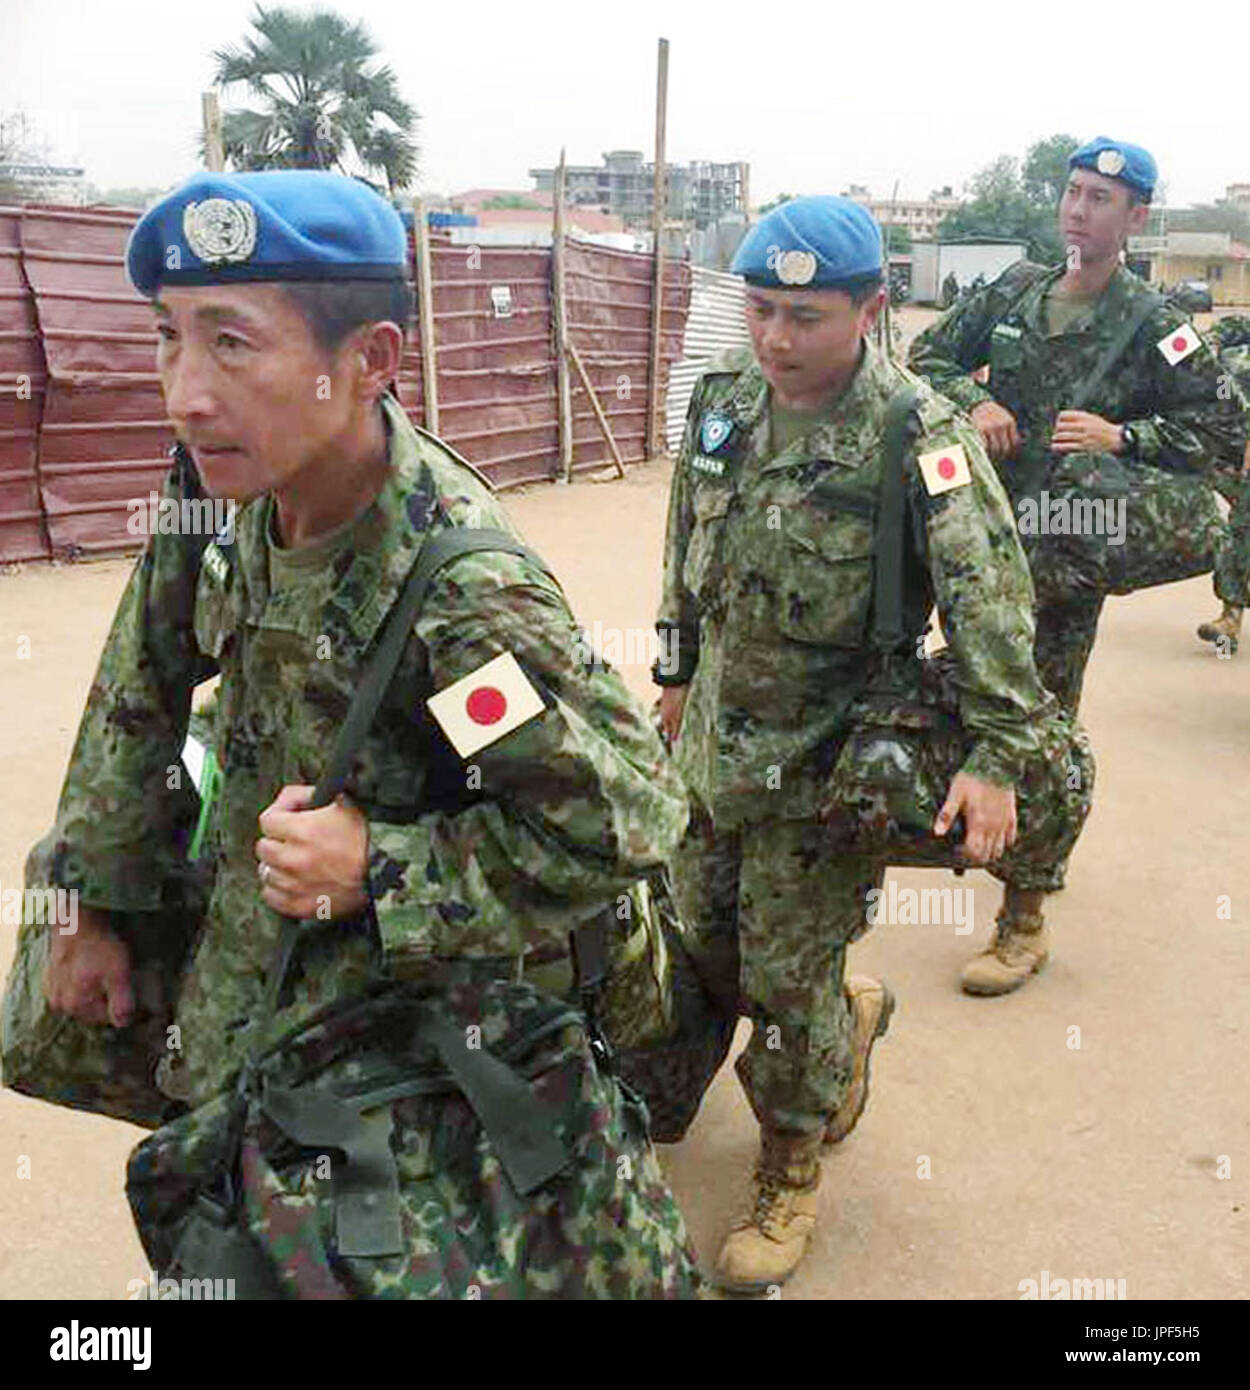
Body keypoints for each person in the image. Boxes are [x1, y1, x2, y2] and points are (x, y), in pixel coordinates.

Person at [31, 169, 700, 1299]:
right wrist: (88, 900)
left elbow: (630, 819)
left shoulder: (458, 593)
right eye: (166, 339)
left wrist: (381, 869)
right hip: (258, 924)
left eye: (232, 344)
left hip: (409, 988)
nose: (184, 393)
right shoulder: (222, 481)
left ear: (371, 361)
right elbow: (136, 682)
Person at [654, 195, 1060, 1292]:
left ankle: (786, 1171)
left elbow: (989, 603)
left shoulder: (915, 434)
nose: (776, 340)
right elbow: (681, 546)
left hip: (827, 763)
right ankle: (854, 1014)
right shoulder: (722, 400)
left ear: (870, 309)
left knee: (782, 982)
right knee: (703, 948)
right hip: (714, 754)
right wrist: (673, 671)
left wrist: (994, 757)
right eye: (760, 309)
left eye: (805, 316)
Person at [909, 136, 1248, 993]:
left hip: (1068, 553)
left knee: (1039, 719)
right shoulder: (1016, 288)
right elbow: (927, 361)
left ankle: (1023, 917)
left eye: (1102, 197)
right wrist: (975, 397)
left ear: (1136, 218)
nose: (1079, 208)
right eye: (1073, 191)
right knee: (967, 693)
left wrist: (1124, 436)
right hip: (982, 544)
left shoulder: (1155, 325)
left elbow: (1223, 430)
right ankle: (951, 839)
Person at [1195, 315, 1250, 654]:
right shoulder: (1235, 342)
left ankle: (1230, 618)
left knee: (1239, 531)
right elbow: (1227, 328)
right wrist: (1209, 344)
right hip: (1223, 453)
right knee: (1237, 533)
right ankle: (1230, 618)